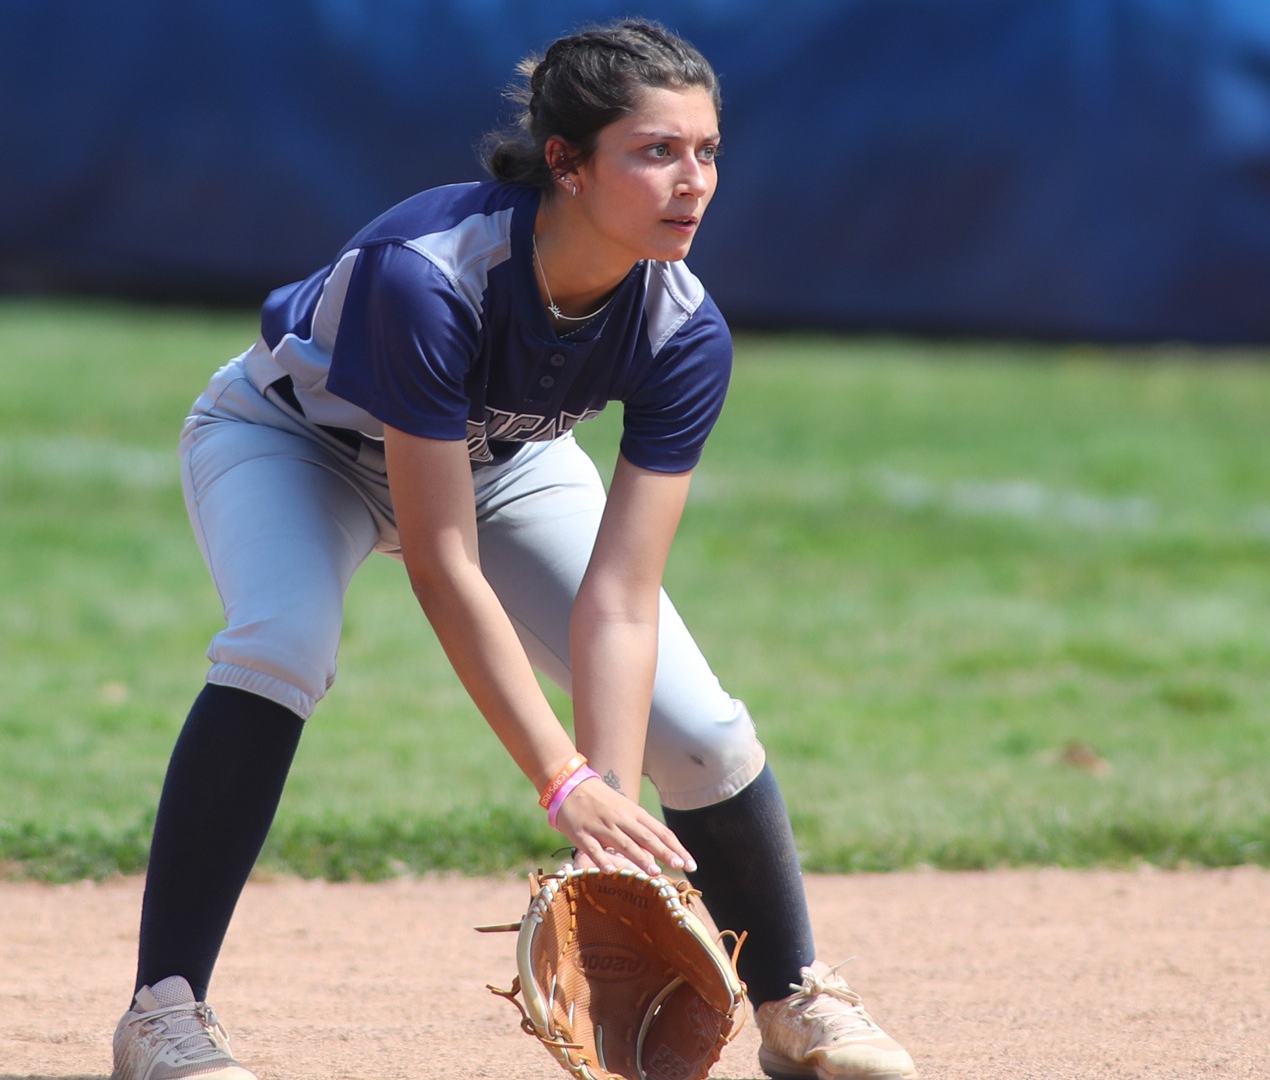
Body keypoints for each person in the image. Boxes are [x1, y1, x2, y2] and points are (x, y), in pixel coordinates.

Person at [109, 18, 918, 1080]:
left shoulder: (684, 330)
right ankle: (161, 1014)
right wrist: (557, 777)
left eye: (708, 151)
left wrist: (612, 823)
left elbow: (621, 599)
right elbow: (442, 563)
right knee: (282, 644)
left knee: (704, 733)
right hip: (293, 442)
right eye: (656, 151)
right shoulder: (429, 276)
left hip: (507, 462)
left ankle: (794, 1000)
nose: (693, 181)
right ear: (566, 165)